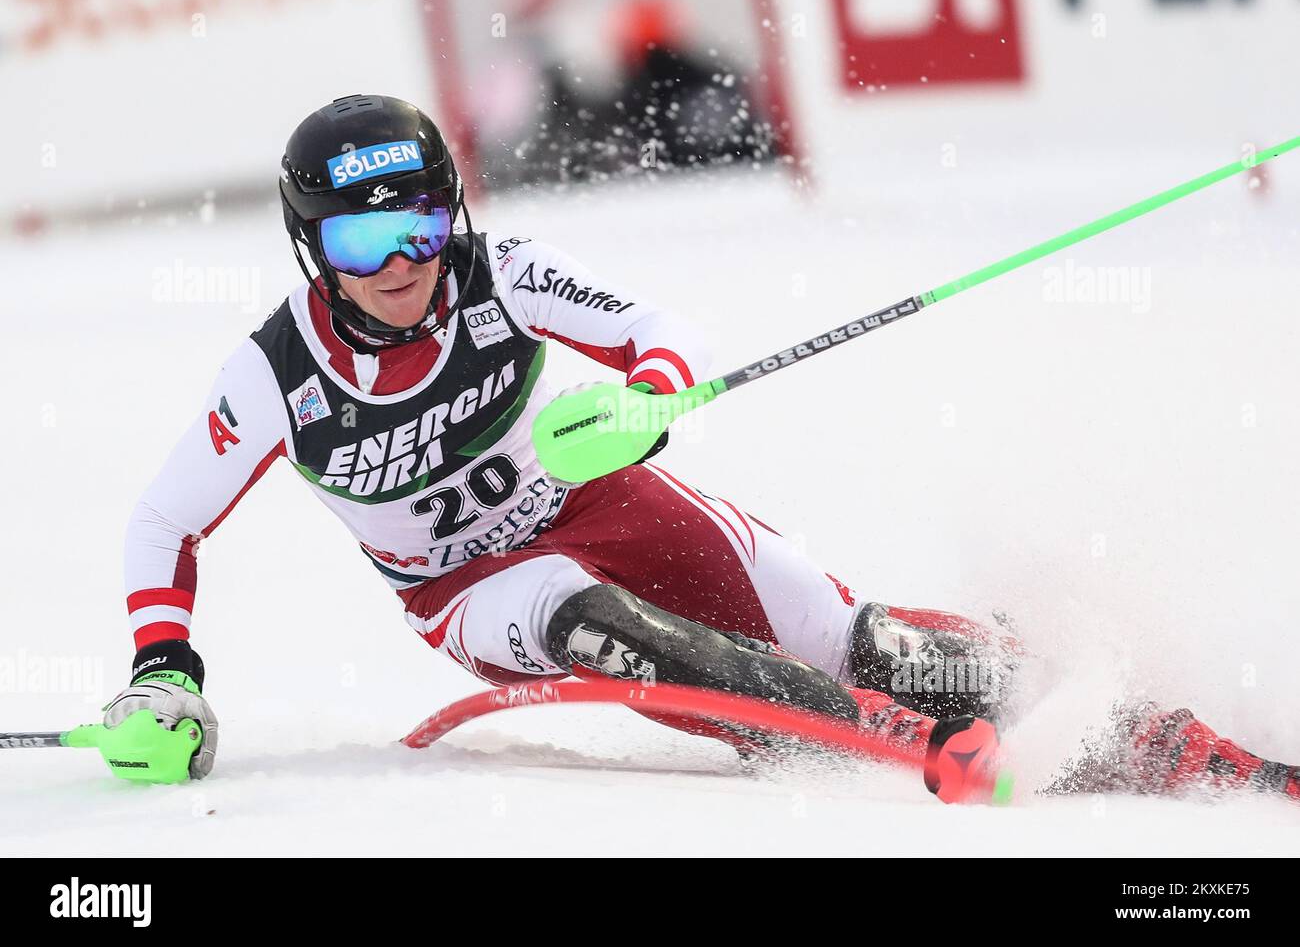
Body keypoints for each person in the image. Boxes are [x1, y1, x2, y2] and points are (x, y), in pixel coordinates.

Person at [106, 95, 1298, 804]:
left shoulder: (498, 275)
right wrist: (166, 669)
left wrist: (652, 398)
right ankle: (888, 739)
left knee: (860, 637)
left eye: (419, 219)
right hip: (471, 587)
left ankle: (1159, 729)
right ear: (311, 246)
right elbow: (163, 522)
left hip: (608, 494)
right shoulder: (271, 376)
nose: (401, 262)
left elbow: (658, 334)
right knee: (596, 620)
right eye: (362, 239)